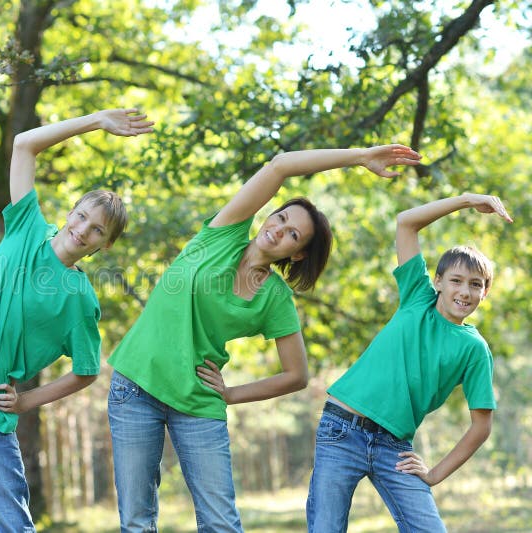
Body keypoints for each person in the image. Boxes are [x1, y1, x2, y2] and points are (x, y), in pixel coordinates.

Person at [107, 145, 422, 532]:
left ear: (298, 254)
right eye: (282, 217)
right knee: (137, 522)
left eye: (294, 235)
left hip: (198, 403)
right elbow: (281, 166)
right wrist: (359, 157)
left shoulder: (275, 298)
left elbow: (296, 375)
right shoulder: (224, 233)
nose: (279, 230)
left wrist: (231, 393)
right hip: (135, 388)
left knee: (222, 524)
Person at [0, 108, 154, 532]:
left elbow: (86, 371)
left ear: (106, 245)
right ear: (70, 211)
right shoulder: (26, 227)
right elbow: (24, 143)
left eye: (98, 230)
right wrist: (96, 120)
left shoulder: (80, 299)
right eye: (82, 216)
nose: (83, 230)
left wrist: (25, 402)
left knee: (11, 523)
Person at [306, 193, 513, 532]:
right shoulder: (417, 298)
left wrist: (435, 474)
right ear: (438, 283)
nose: (464, 291)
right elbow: (406, 222)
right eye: (456, 281)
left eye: (475, 285)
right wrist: (466, 200)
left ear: (484, 293)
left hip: (394, 448)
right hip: (341, 429)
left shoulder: (475, 350)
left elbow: (481, 426)